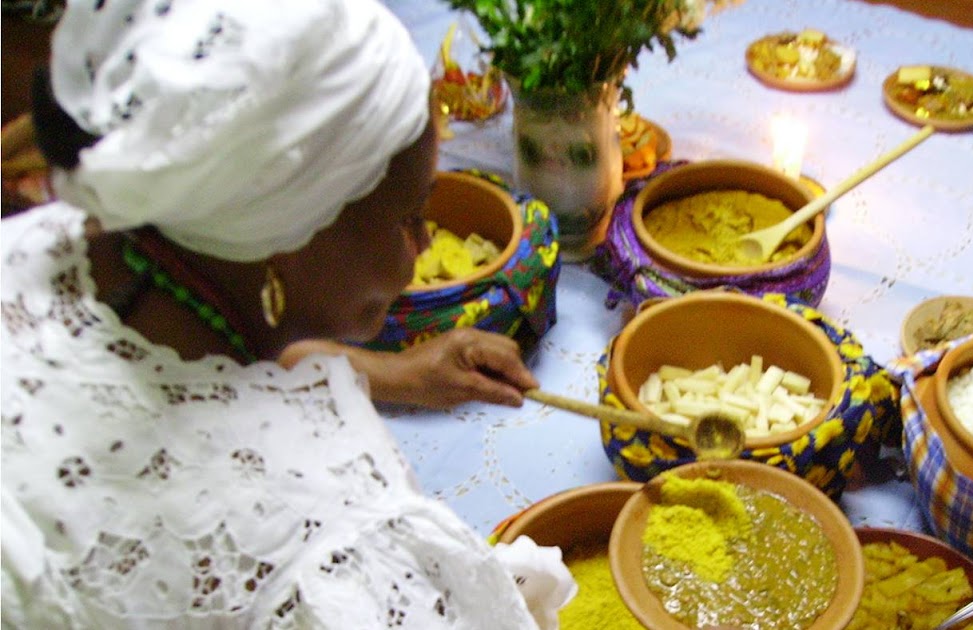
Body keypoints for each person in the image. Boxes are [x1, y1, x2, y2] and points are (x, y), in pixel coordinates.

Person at [0, 0, 575, 627]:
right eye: (410, 218)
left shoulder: (65, 244)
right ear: (288, 234)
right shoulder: (323, 546)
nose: (422, 248)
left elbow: (208, 360)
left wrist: (392, 373)